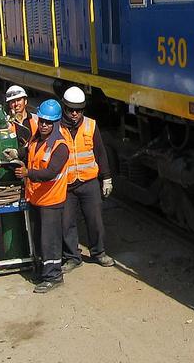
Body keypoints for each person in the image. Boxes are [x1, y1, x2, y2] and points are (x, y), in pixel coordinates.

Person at [15, 99, 69, 293]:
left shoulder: (60, 146)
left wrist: (28, 173)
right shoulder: (36, 139)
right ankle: (43, 270)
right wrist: (16, 153)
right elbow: (27, 152)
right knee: (39, 238)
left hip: (52, 201)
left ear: (55, 124)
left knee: (50, 240)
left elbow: (50, 172)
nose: (44, 125)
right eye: (42, 121)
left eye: (48, 122)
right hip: (36, 199)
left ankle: (54, 275)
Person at [58, 86, 115, 273]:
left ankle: (98, 253)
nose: (75, 114)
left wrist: (106, 178)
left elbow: (100, 153)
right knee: (66, 223)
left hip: (88, 182)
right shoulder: (55, 127)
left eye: (79, 110)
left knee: (95, 220)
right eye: (71, 110)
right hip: (66, 184)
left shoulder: (90, 125)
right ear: (64, 108)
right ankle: (73, 257)